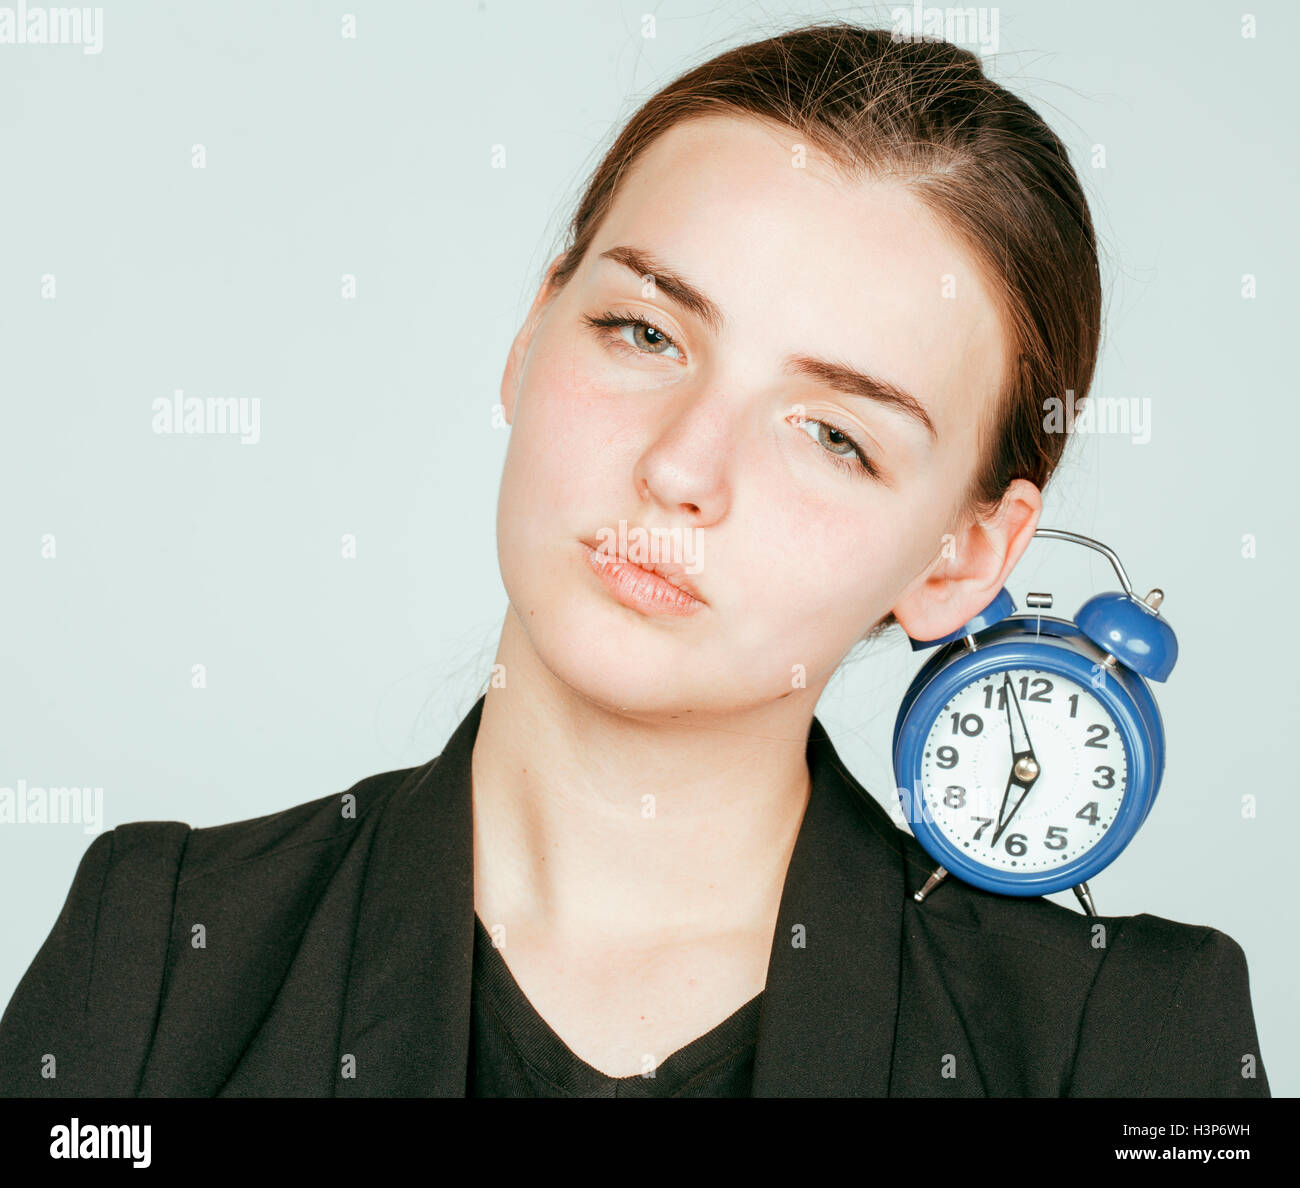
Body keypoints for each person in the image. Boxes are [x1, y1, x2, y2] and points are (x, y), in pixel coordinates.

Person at [0, 22, 1269, 1098]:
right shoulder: (159, 952)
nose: (680, 469)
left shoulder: (1119, 1046)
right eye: (641, 331)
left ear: (958, 559)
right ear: (531, 332)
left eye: (832, 432)